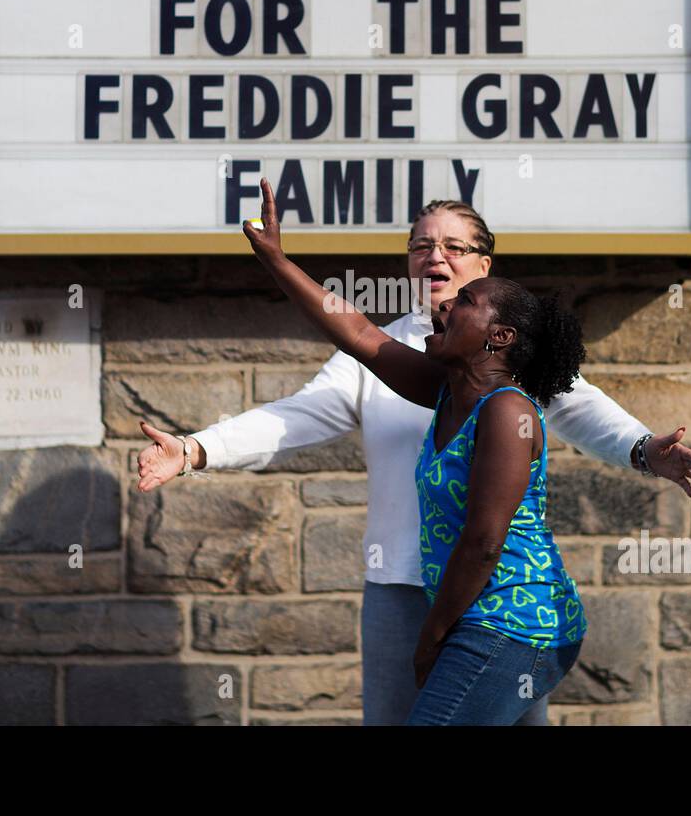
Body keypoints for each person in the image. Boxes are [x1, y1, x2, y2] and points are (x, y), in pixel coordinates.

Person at [139, 193, 691, 725]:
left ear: (486, 267)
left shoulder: (511, 370)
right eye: (421, 246)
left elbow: (581, 411)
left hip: (507, 610)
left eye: (454, 247)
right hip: (405, 585)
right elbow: (330, 368)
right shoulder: (437, 371)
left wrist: (643, 448)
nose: (435, 256)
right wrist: (195, 448)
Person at [231, 178, 598, 723]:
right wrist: (278, 262)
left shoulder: (507, 412)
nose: (444, 310)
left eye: (465, 303)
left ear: (498, 338)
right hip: (483, 617)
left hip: (513, 624)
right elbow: (355, 331)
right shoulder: (447, 391)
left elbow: (482, 542)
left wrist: (432, 634)